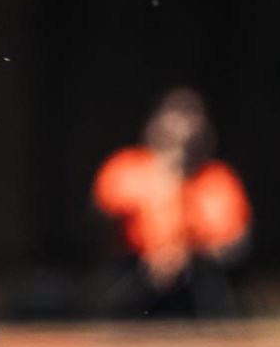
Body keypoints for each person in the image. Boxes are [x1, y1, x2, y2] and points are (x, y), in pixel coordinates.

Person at [92, 88, 251, 319]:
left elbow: (234, 243)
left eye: (190, 121)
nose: (182, 132)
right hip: (136, 273)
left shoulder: (217, 178)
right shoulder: (125, 168)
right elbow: (103, 217)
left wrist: (185, 253)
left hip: (194, 277)